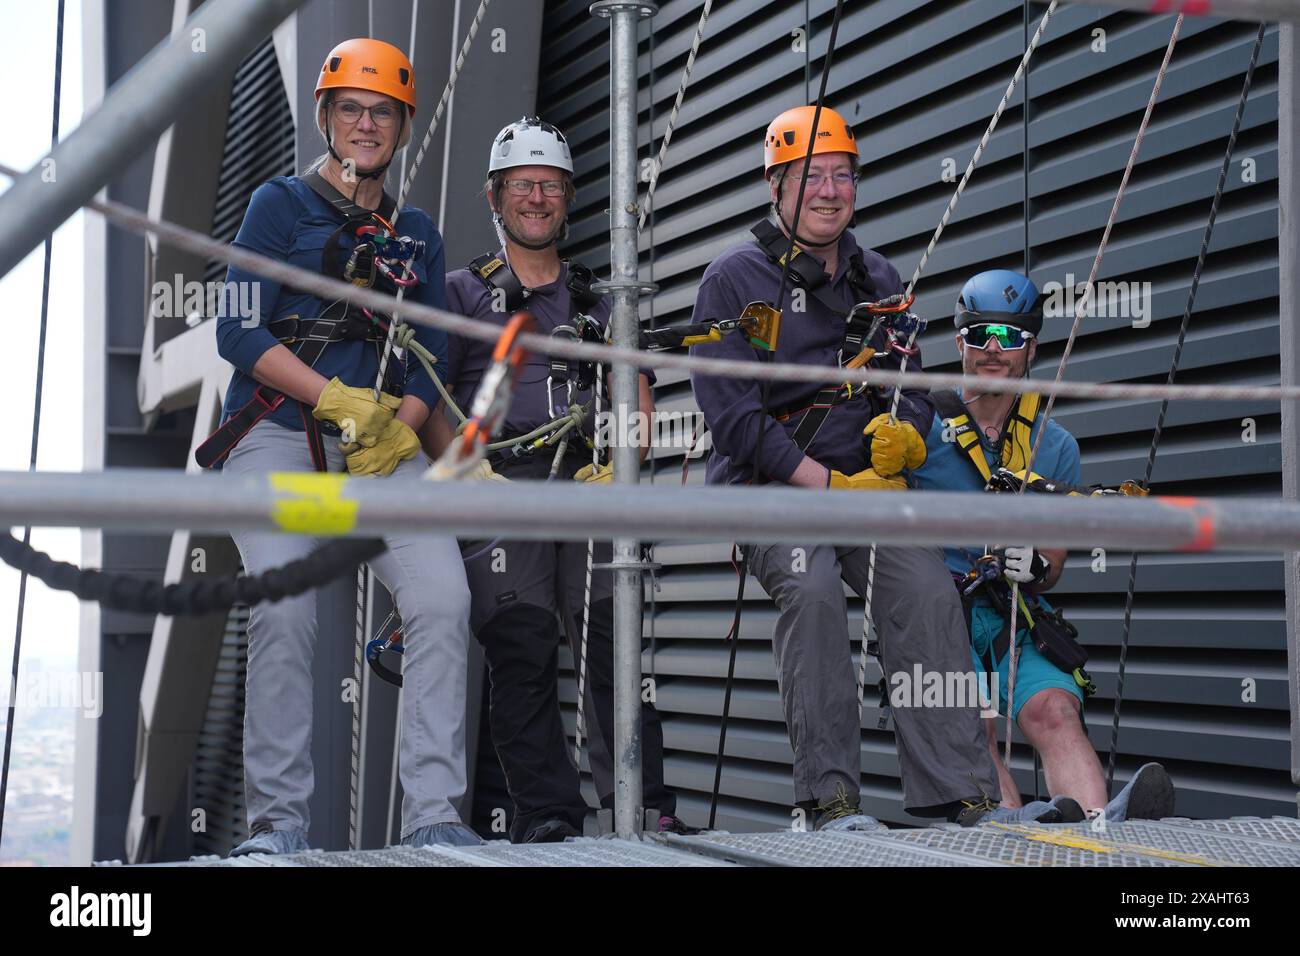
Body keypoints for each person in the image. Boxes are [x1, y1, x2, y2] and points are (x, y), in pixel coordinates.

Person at [688, 106, 1058, 829]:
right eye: (811, 177)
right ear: (775, 185)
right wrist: (825, 483)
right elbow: (734, 420)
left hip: (869, 494)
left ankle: (963, 790)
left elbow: (910, 383)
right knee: (815, 591)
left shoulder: (876, 273)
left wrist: (909, 439)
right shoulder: (732, 280)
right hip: (773, 493)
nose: (830, 190)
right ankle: (829, 798)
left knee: (925, 591)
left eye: (842, 175)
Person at [205, 37, 478, 854]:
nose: (367, 124)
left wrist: (400, 418)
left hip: (377, 454)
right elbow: (237, 329)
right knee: (286, 610)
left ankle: (434, 816)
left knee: (443, 599)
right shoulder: (276, 208)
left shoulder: (417, 232)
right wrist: (332, 398)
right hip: (284, 441)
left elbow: (435, 346)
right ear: (327, 117)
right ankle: (278, 828)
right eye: (352, 109)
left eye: (382, 112)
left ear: (400, 126)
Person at [420, 117, 688, 842]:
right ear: (495, 198)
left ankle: (647, 810)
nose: (536, 198)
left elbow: (636, 391)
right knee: (523, 650)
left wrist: (622, 465)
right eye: (522, 187)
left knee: (612, 649)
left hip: (587, 486)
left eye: (550, 186)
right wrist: (467, 478)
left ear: (567, 199)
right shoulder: (458, 295)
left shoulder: (601, 302)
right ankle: (546, 816)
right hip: (502, 489)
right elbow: (424, 401)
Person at [913, 269, 1175, 823]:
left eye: (1008, 337)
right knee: (974, 729)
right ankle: (1011, 835)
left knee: (1055, 710)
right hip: (938, 614)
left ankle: (1100, 832)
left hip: (1013, 611)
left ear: (1030, 347)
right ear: (958, 340)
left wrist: (1033, 565)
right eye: (979, 333)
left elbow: (1053, 564)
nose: (992, 349)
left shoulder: (1052, 445)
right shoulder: (919, 430)